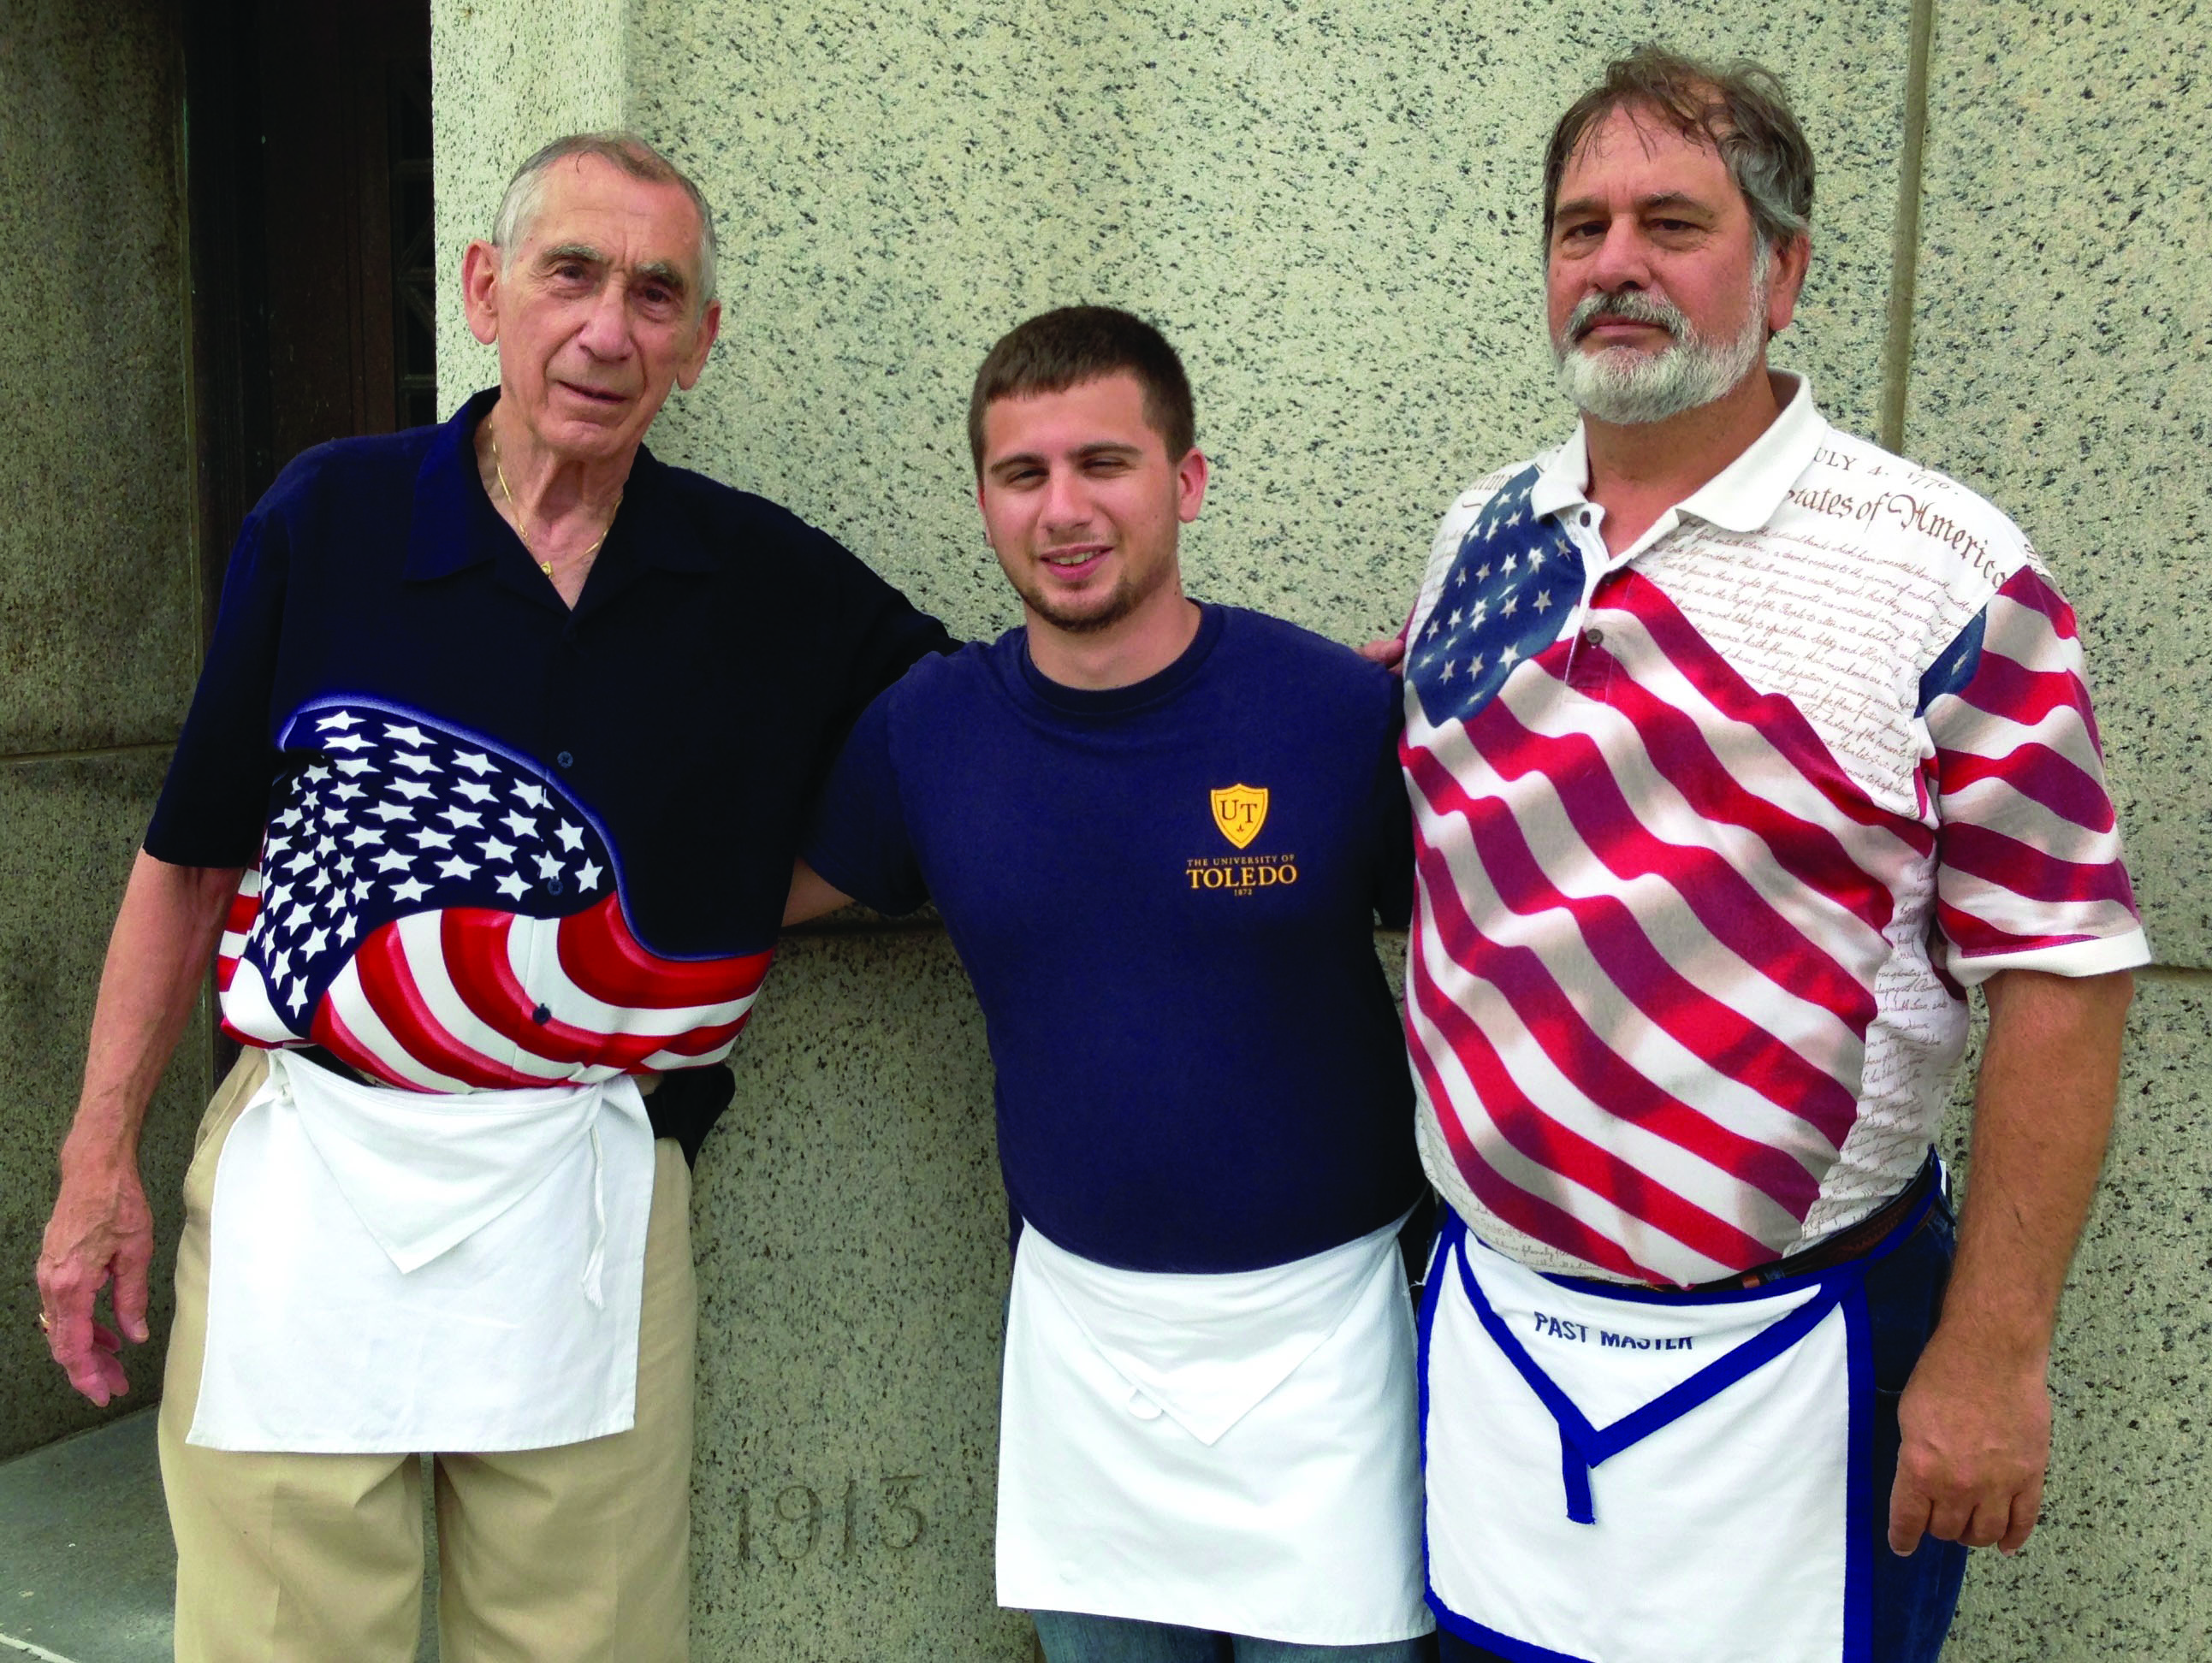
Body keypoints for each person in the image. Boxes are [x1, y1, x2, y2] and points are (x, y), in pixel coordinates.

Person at [33, 133, 947, 1663]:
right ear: (483, 291)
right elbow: (190, 857)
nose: (608, 328)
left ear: (703, 344)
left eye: (659, 295)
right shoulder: (326, 521)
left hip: (585, 1196)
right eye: (570, 272)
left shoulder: (763, 581)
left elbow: (977, 745)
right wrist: (94, 1163)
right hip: (307, 1169)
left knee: (585, 1645)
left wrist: (1247, 701)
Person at [1391, 47, 2145, 1663]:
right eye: (1580, 226)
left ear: (1785, 270)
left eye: (1674, 221)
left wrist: (1995, 1353)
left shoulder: (1948, 572)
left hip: (1803, 1354)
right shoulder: (1483, 536)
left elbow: (2067, 974)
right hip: (1499, 1330)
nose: (1615, 264)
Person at [786, 306, 1436, 1661]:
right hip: (1084, 1346)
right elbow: (729, 894)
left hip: (1335, 1351)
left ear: (1186, 481)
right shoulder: (931, 730)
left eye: (1106, 464)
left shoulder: (1331, 710)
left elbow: (1508, 927)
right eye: (1024, 475)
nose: (1065, 509)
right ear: (982, 502)